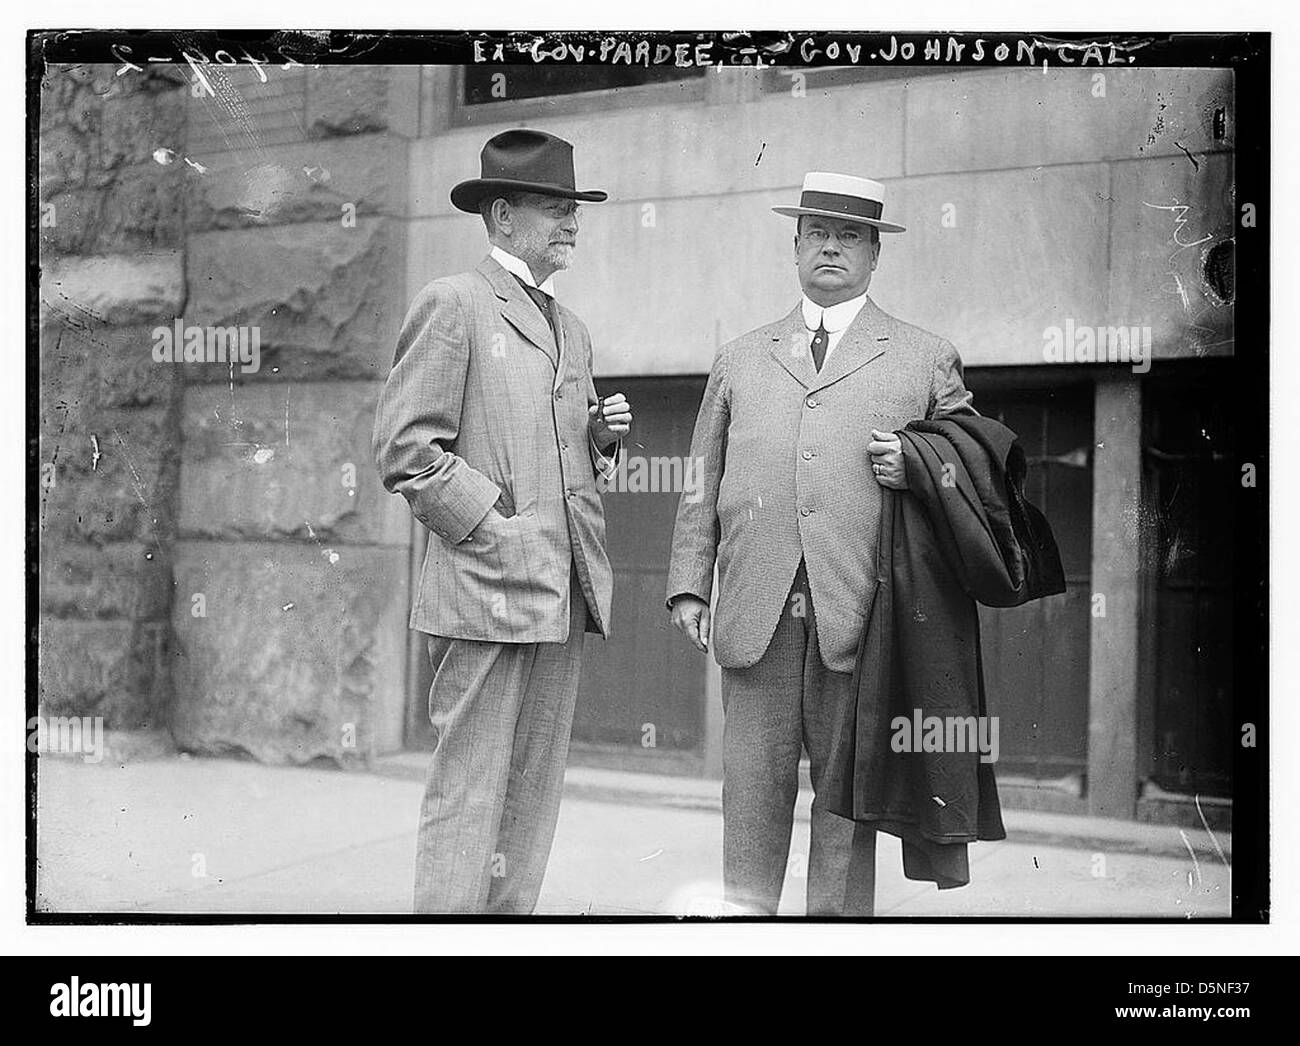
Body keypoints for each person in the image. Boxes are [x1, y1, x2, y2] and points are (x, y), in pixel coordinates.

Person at [666, 171, 974, 915]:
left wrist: (921, 465)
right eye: (816, 234)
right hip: (756, 610)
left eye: (849, 236)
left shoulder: (923, 355)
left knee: (844, 813)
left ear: (875, 253)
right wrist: (688, 582)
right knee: (750, 802)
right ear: (795, 246)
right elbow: (702, 476)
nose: (830, 247)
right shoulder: (741, 356)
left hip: (862, 613)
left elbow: (976, 464)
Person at [373, 128, 632, 914]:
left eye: (574, 209)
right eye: (554, 207)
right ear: (502, 217)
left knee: (529, 798)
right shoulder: (452, 303)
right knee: (470, 793)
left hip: (562, 591)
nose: (571, 224)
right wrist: (499, 532)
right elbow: (406, 450)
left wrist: (599, 442)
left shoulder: (572, 327)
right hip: (489, 590)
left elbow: (553, 452)